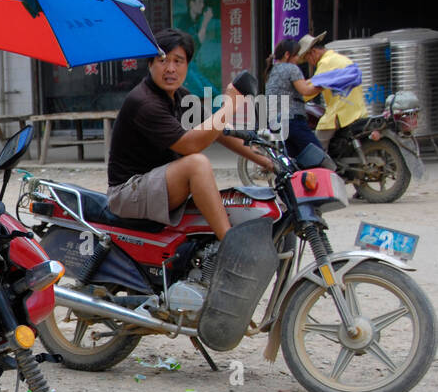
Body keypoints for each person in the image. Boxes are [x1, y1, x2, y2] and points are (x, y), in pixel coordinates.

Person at [106, 28, 272, 240]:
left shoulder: (180, 95)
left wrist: (267, 161)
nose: (170, 69)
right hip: (127, 193)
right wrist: (230, 105)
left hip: (155, 184)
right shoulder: (144, 101)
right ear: (150, 64)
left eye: (178, 61)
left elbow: (218, 131)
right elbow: (189, 145)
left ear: (187, 65)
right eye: (162, 60)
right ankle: (229, 242)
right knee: (196, 164)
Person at [264, 38, 334, 170]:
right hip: (293, 120)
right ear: (287, 55)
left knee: (298, 164)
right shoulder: (291, 68)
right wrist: (327, 84)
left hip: (278, 124)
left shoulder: (272, 70)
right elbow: (306, 90)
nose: (298, 59)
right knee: (319, 158)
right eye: (296, 55)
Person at [295, 32, 368, 160]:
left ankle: (321, 170)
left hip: (341, 111)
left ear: (313, 52)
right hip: (357, 109)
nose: (310, 63)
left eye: (307, 59)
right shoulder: (339, 58)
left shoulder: (326, 63)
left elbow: (311, 88)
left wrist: (295, 98)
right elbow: (315, 80)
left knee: (317, 146)